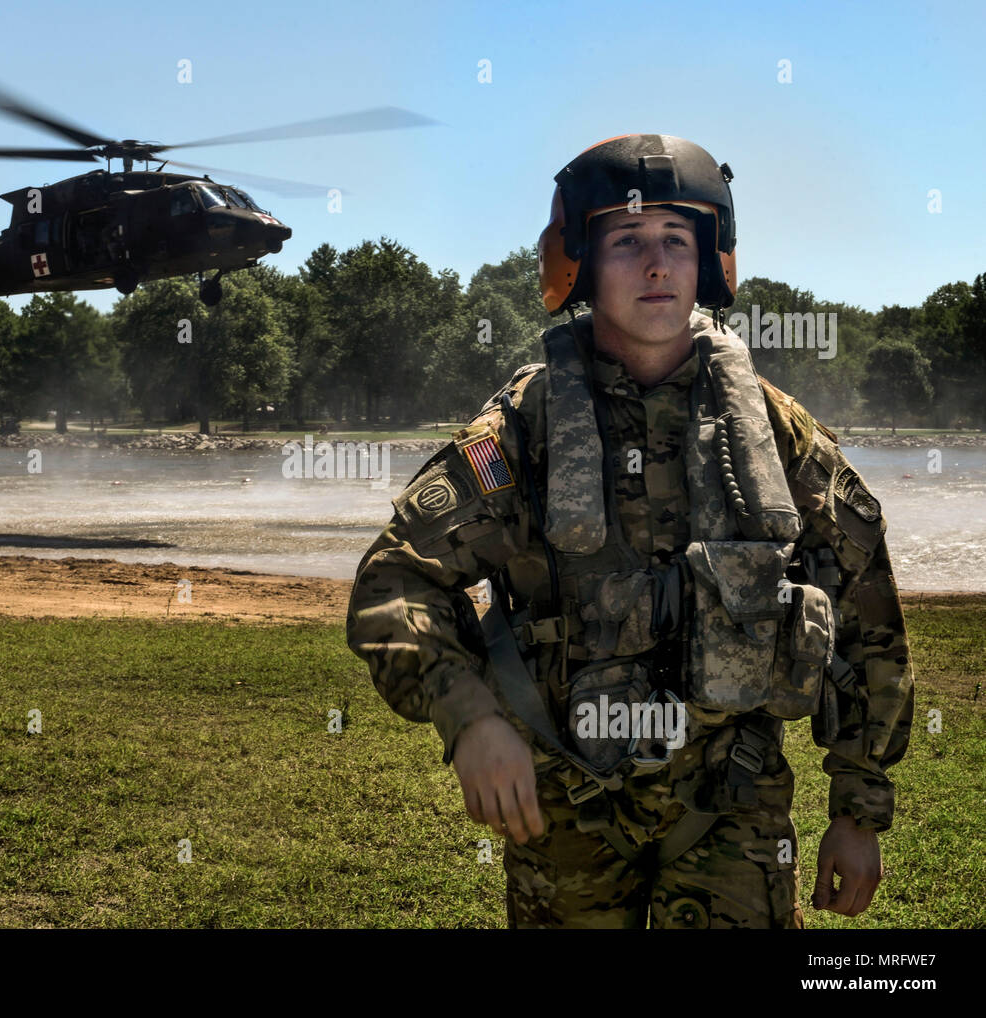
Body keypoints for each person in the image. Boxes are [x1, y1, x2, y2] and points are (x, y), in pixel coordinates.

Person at [345, 134, 914, 928]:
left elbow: (866, 610)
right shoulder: (523, 425)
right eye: (627, 241)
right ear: (576, 262)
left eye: (676, 241)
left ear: (709, 262)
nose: (656, 265)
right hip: (566, 815)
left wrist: (858, 810)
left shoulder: (772, 431)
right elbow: (393, 582)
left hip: (733, 809)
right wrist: (469, 717)